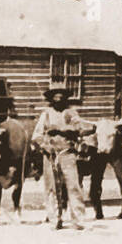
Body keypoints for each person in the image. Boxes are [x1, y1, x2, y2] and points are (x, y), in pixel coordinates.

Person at [32, 84, 94, 230]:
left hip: (67, 153)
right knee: (52, 187)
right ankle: (55, 218)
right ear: (51, 98)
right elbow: (36, 136)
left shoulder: (71, 113)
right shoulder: (46, 114)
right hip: (50, 155)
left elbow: (80, 129)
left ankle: (78, 219)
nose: (59, 98)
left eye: (62, 95)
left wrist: (62, 130)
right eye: (55, 95)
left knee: (73, 186)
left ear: (65, 98)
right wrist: (45, 146)